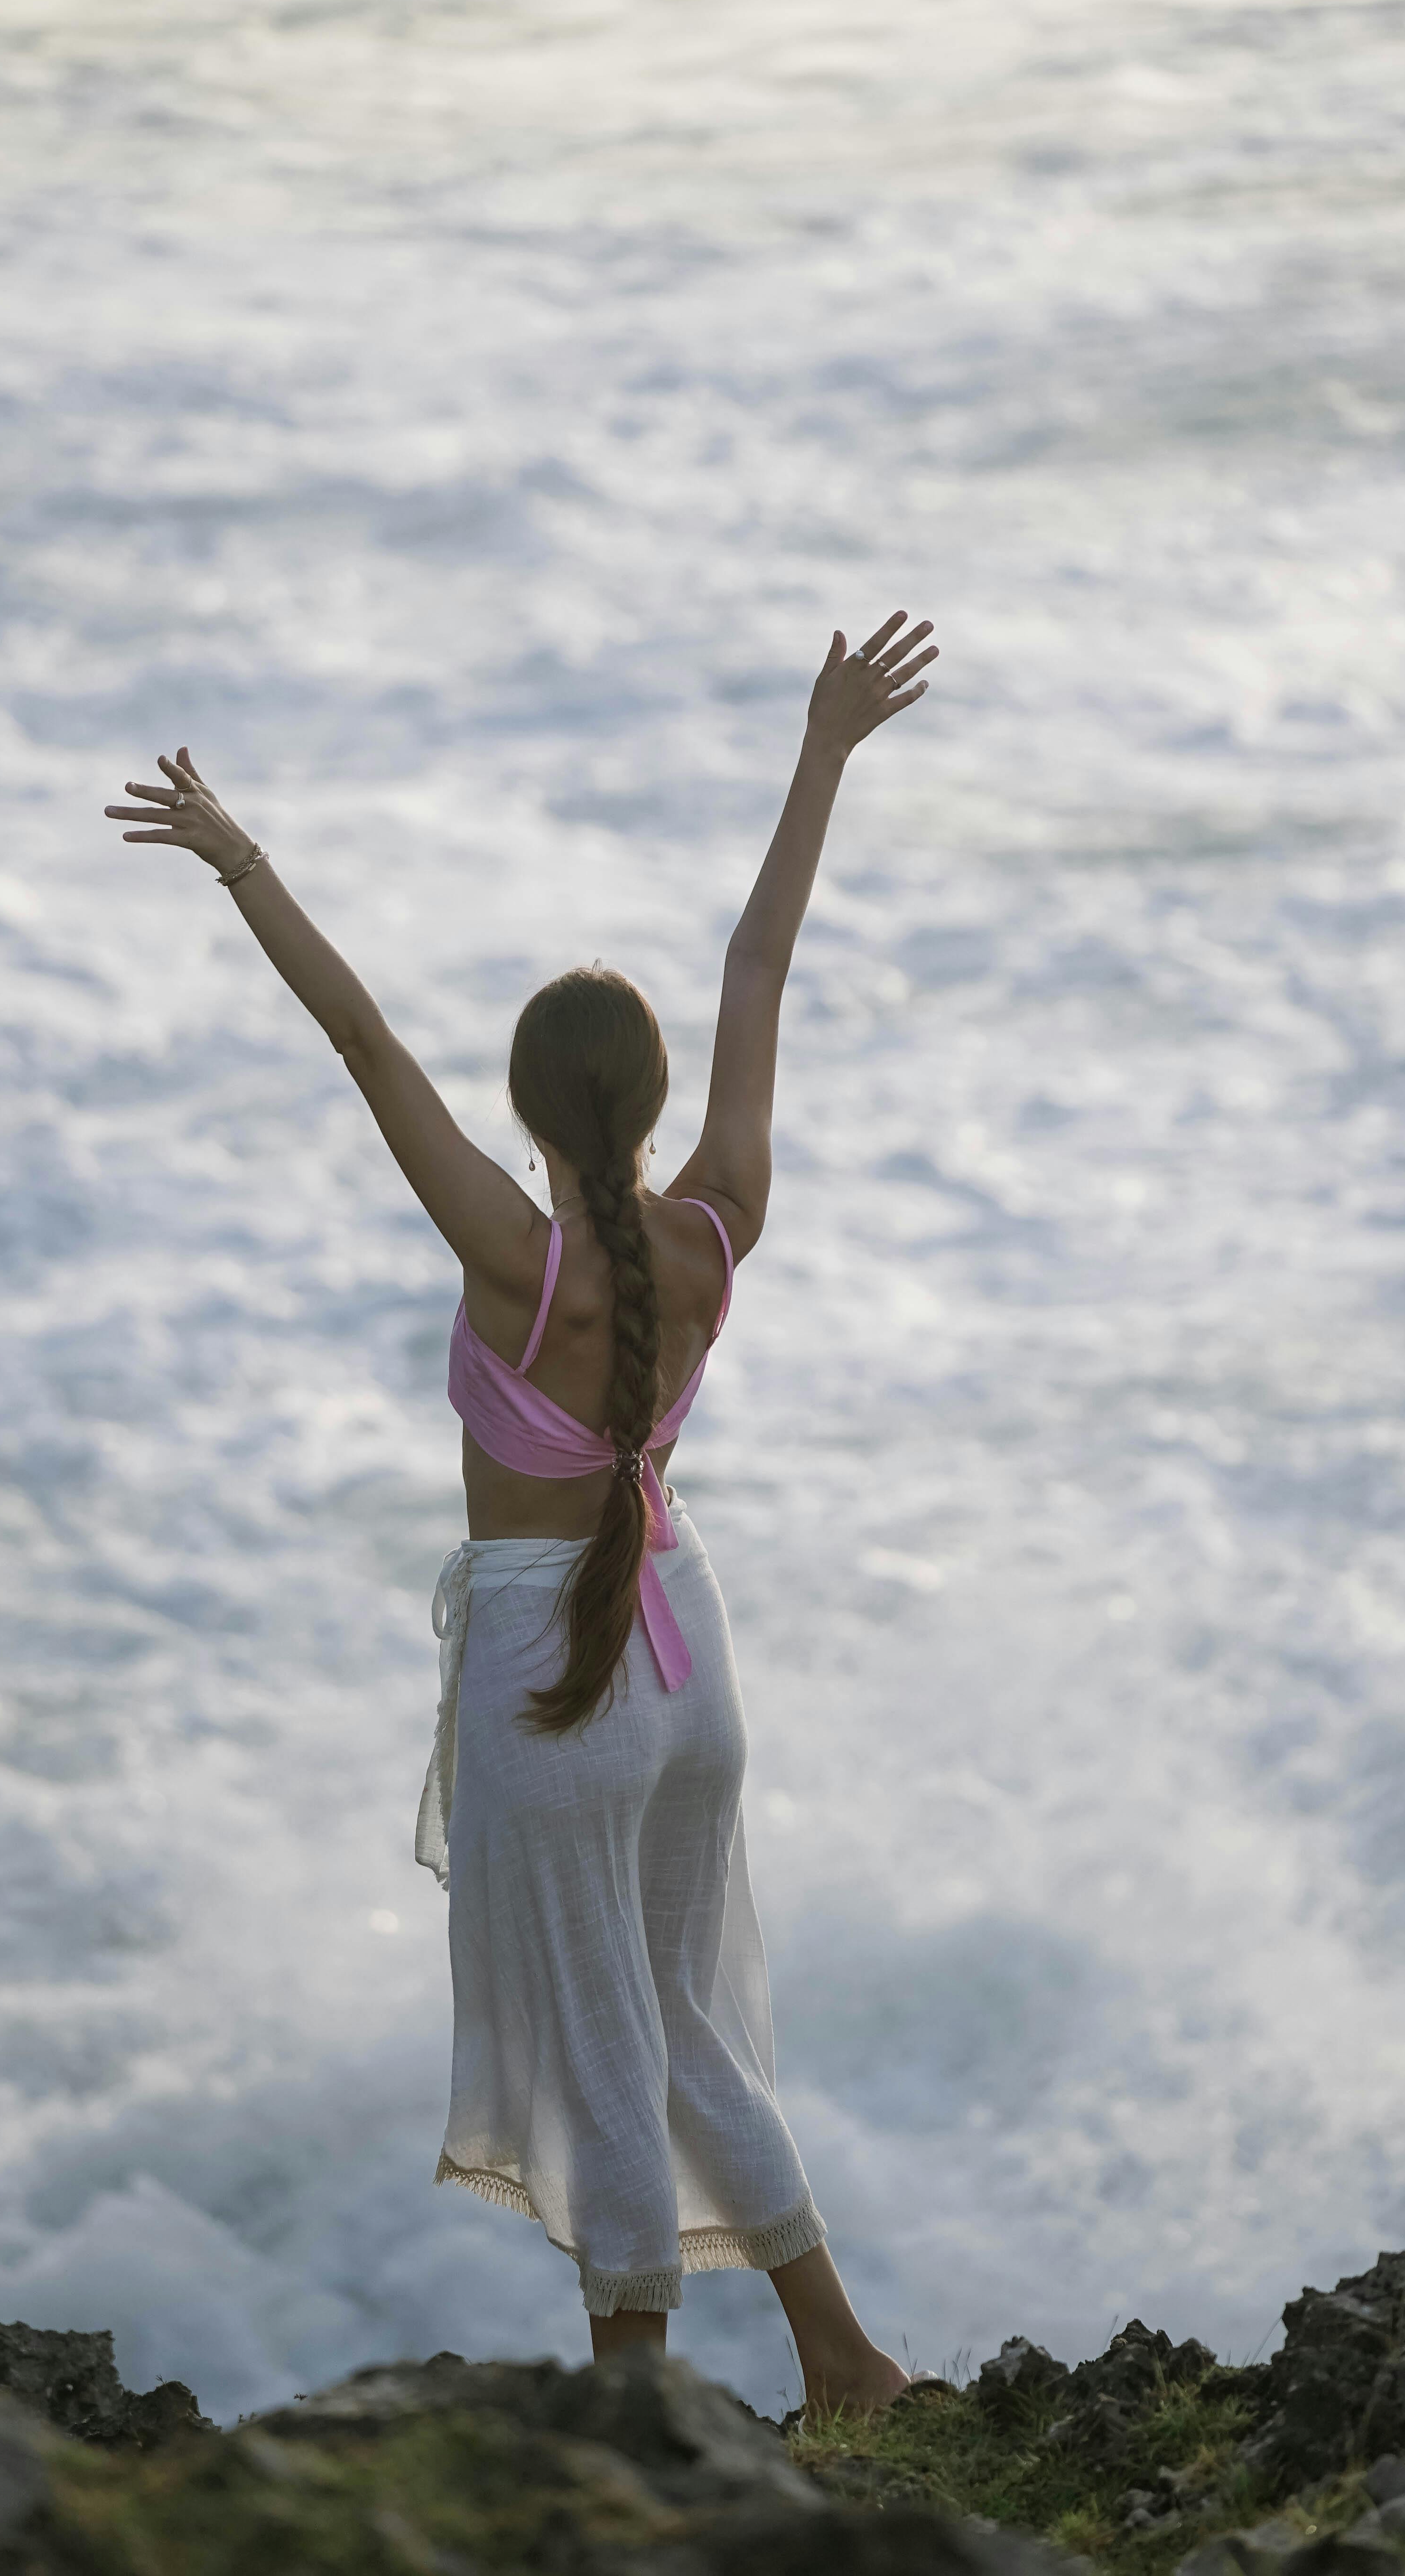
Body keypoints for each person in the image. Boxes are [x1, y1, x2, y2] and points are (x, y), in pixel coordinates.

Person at [105, 609, 937, 2414]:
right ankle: (844, 2361)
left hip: (551, 1658)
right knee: (683, 2022)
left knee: (597, 2042)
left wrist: (242, 860)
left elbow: (356, 1037)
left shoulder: (509, 1249)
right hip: (683, 1643)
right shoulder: (718, 1222)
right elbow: (762, 966)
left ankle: (635, 2407)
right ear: (645, 1107)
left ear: (526, 1110)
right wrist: (824, 751)